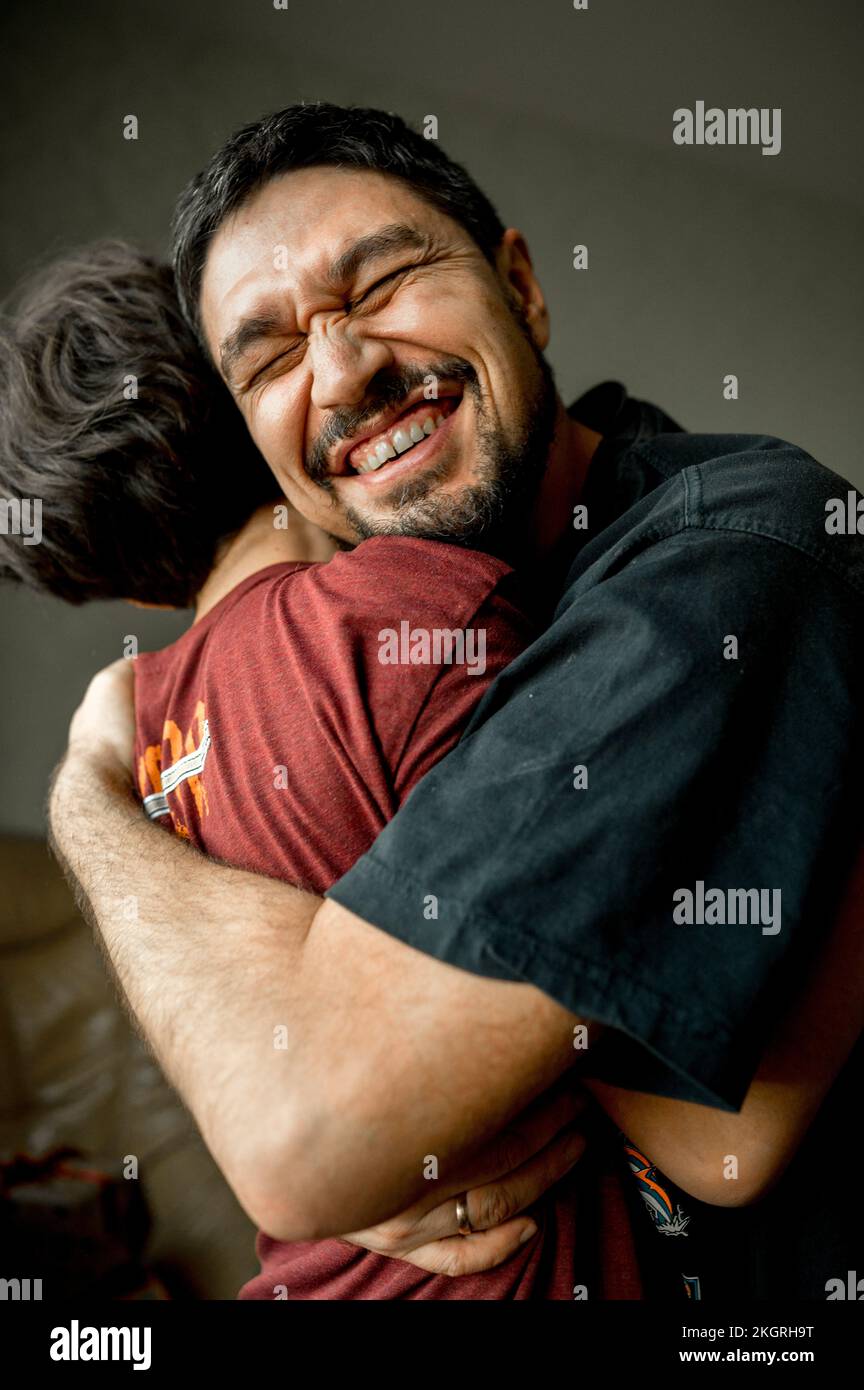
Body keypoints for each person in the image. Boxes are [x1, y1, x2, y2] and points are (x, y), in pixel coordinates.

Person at [38, 103, 864, 1299]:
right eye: (267, 357)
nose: (341, 371)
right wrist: (395, 1108)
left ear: (523, 286)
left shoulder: (723, 566)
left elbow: (297, 1133)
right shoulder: (421, 637)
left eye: (380, 281)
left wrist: (90, 803)